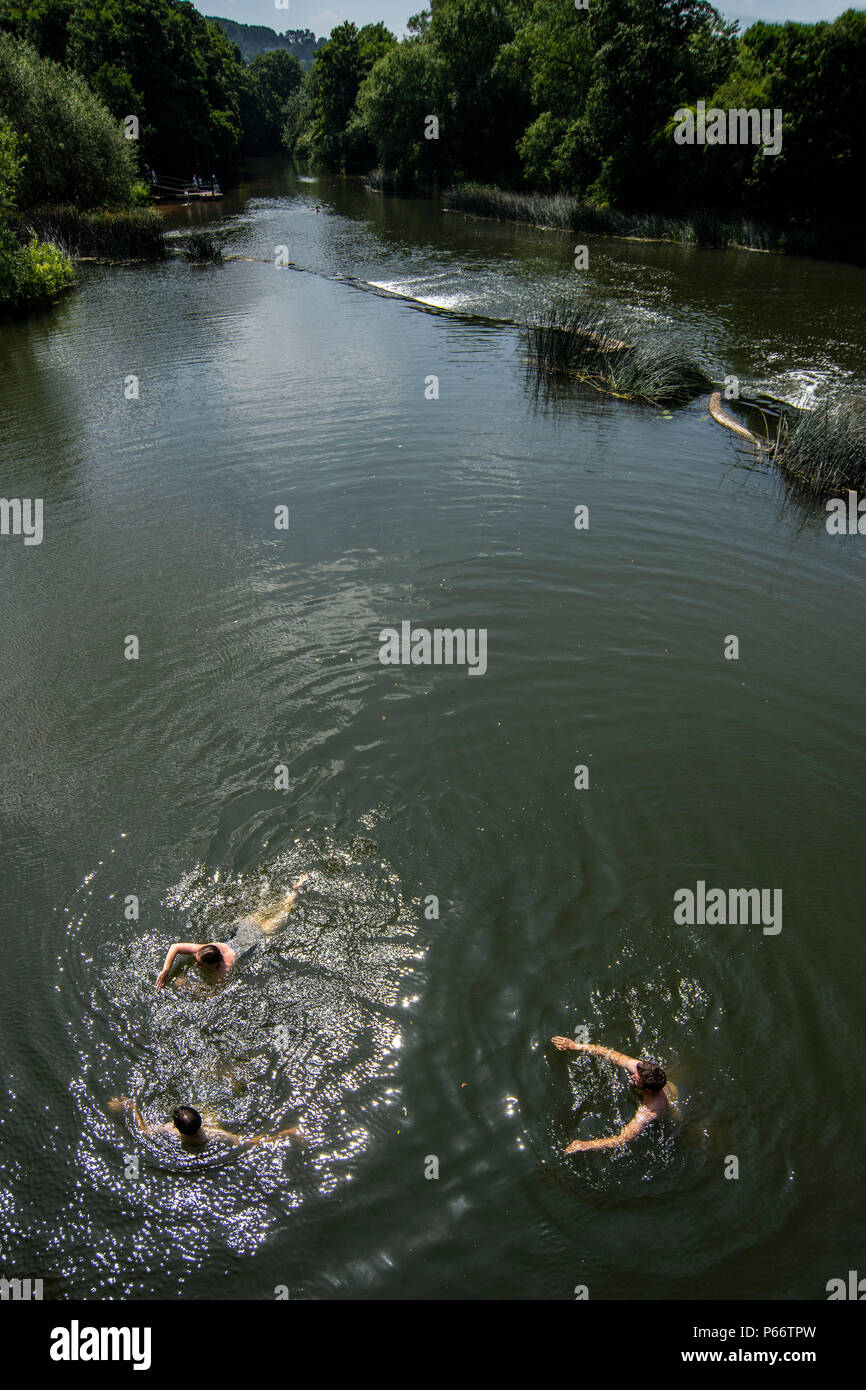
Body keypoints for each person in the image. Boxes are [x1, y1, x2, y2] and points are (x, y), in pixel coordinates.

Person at [155, 875, 311, 990]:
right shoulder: (206, 949)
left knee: (283, 912)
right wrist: (165, 970)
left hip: (257, 934)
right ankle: (290, 892)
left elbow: (212, 993)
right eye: (197, 961)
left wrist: (187, 985)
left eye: (200, 964)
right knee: (266, 911)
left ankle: (295, 890)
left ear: (216, 964)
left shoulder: (225, 971)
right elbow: (175, 947)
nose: (196, 964)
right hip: (244, 927)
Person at [550, 1036, 670, 1152]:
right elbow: (608, 1053)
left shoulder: (649, 1111)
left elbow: (621, 1140)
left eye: (636, 1079)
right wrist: (574, 1046)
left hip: (667, 1119)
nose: (632, 1076)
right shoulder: (642, 1069)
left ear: (648, 1090)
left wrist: (585, 1145)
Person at [109, 1099, 298, 1149]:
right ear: (201, 1122)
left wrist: (131, 1106)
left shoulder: (169, 1131)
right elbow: (246, 1142)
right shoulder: (213, 1133)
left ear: (176, 1126)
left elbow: (145, 1132)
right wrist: (286, 1133)